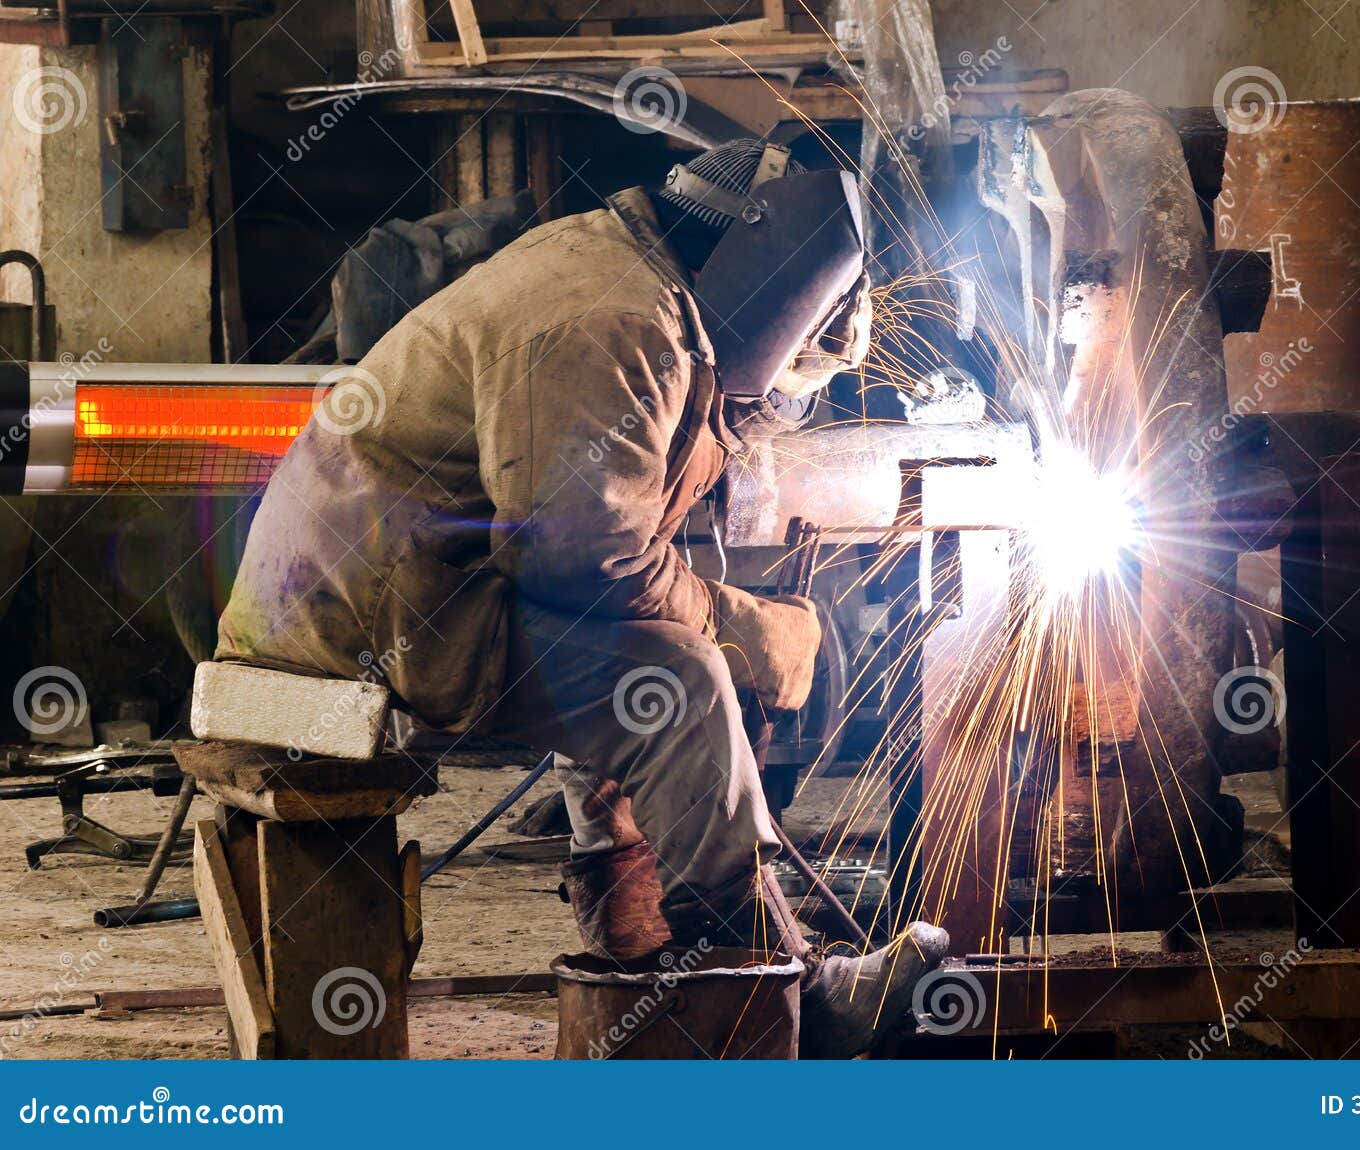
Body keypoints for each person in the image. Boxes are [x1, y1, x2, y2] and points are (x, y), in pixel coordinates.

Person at [215, 138, 948, 1058]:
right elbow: (582, 562)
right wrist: (752, 627)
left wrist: (779, 388)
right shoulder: (613, 319)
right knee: (675, 685)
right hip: (359, 619)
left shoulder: (629, 274)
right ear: (757, 276)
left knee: (635, 664)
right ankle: (779, 1000)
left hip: (398, 588)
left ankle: (637, 949)